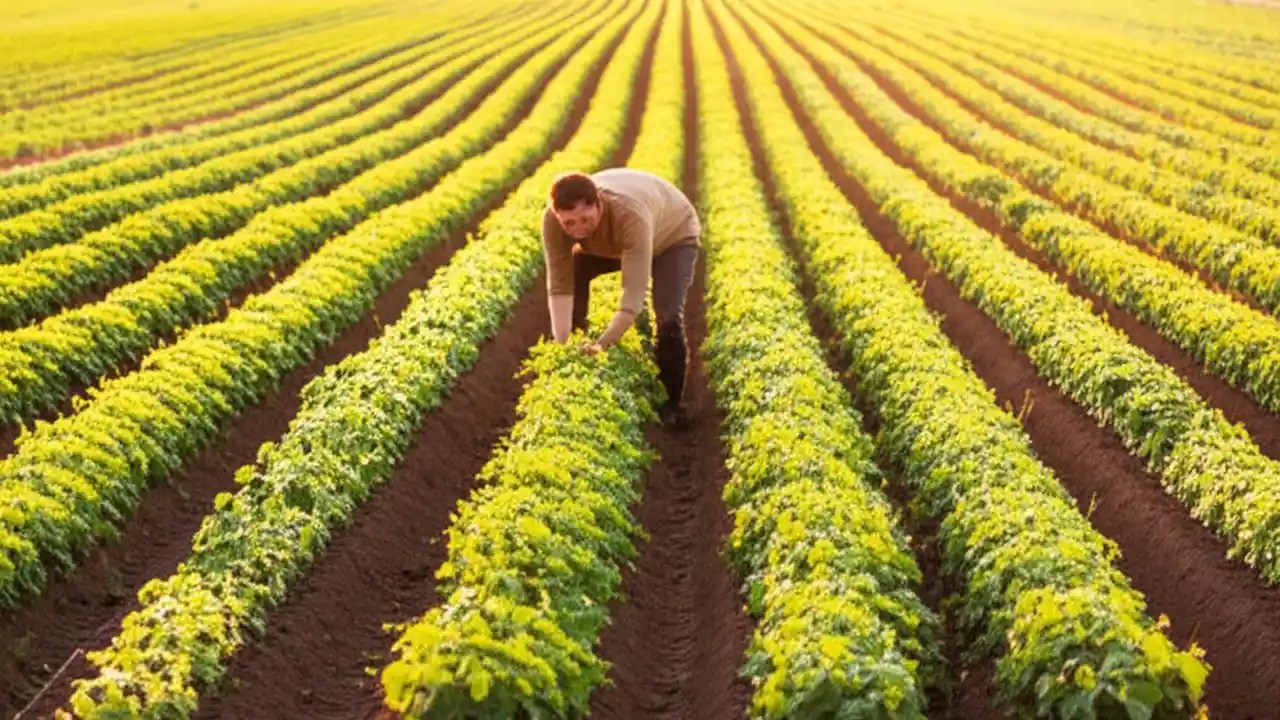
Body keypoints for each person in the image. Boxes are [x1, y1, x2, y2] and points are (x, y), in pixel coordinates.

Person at [540, 167, 701, 428]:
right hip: (617, 243)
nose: (579, 229)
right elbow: (559, 285)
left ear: (598, 204)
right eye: (569, 222)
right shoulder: (552, 221)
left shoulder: (630, 216)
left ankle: (672, 405)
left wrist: (602, 345)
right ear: (557, 215)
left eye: (585, 218)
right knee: (577, 268)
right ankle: (578, 341)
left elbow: (632, 299)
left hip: (672, 237)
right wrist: (563, 343)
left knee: (669, 316)